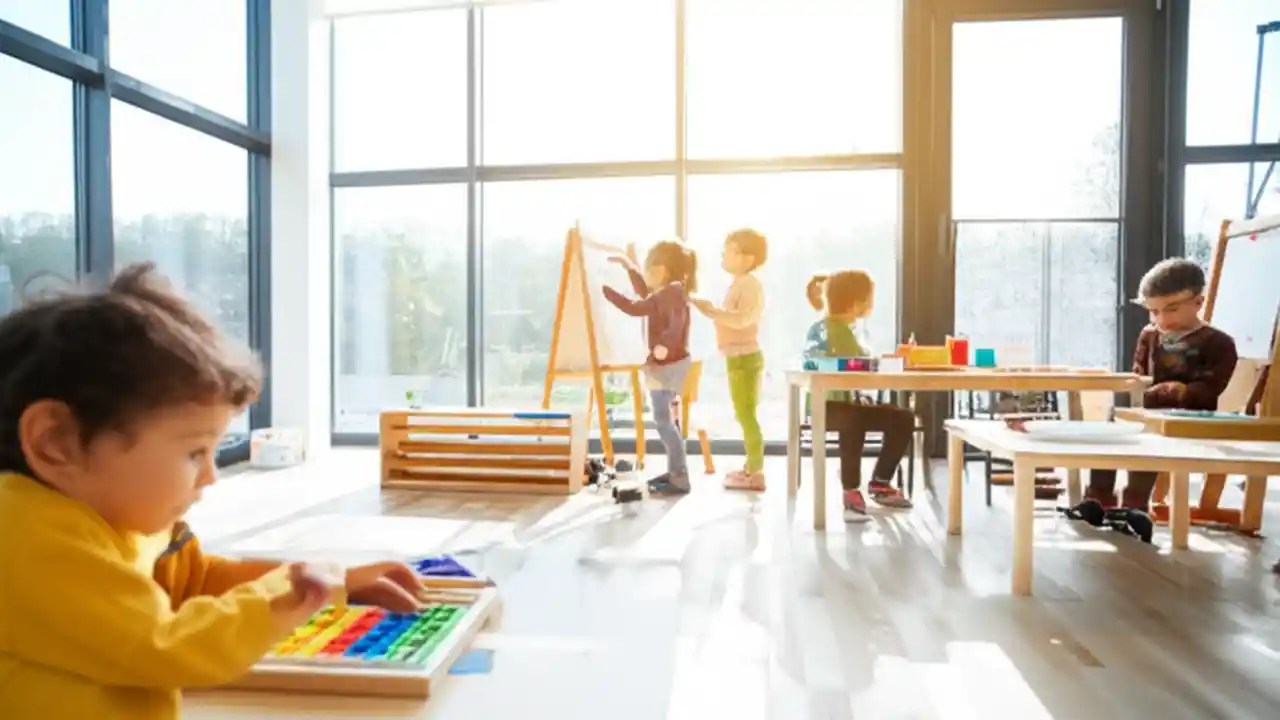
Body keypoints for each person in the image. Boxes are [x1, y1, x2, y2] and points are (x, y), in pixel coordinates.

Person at [0, 263, 426, 718]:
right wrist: (294, 591)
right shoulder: (27, 540)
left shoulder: (115, 520)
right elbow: (165, 644)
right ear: (56, 443)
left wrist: (332, 581)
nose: (210, 477)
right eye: (194, 453)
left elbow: (193, 582)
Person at [1078, 258, 1238, 512]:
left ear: (1198, 302)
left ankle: (1135, 500)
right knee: (1112, 421)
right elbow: (1139, 373)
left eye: (1172, 309)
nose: (1162, 318)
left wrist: (1172, 392)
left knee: (1149, 434)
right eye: (1154, 311)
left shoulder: (1219, 342)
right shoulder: (1149, 335)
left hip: (1191, 416)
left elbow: (1209, 388)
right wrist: (1135, 389)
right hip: (1148, 407)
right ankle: (1099, 494)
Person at [803, 271, 913, 522]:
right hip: (826, 407)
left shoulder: (851, 331)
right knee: (852, 420)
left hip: (849, 405)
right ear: (856, 303)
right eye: (869, 299)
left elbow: (862, 364)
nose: (871, 305)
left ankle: (881, 482)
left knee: (902, 418)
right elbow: (812, 363)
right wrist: (854, 365)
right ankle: (850, 492)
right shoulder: (820, 330)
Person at [603, 240, 698, 496]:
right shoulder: (668, 291)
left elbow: (644, 310)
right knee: (665, 421)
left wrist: (605, 293)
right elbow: (645, 298)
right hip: (665, 364)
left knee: (664, 422)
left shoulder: (672, 292)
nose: (645, 274)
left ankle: (679, 476)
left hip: (668, 364)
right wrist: (629, 268)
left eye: (647, 268)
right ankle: (676, 473)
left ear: (662, 269)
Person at [692, 229, 767, 491]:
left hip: (744, 356)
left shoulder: (749, 284)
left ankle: (756, 471)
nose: (724, 255)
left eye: (730, 250)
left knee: (746, 414)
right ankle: (751, 466)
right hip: (738, 356)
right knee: (744, 413)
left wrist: (711, 311)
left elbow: (742, 319)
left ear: (748, 257)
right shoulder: (739, 283)